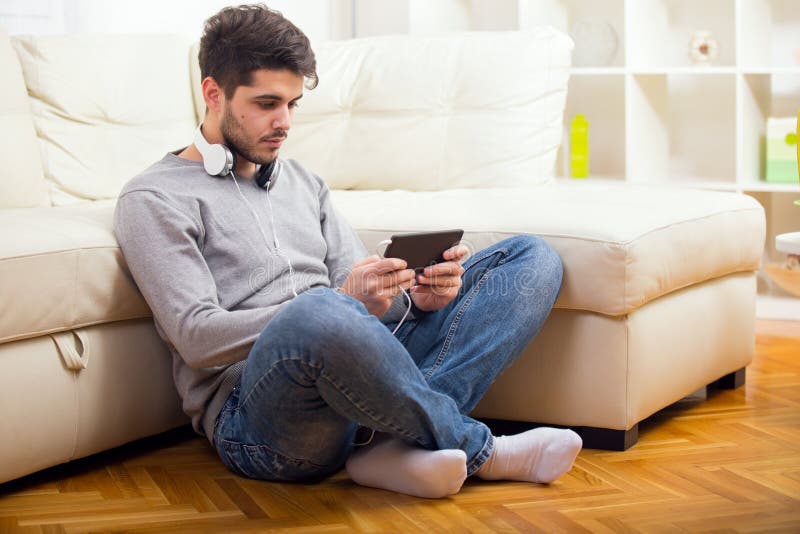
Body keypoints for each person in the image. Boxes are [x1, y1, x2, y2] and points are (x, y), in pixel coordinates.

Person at [114, 3, 582, 499]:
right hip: (259, 418)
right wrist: (336, 304)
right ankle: (481, 451)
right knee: (319, 310)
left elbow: (369, 303)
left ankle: (393, 448)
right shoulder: (154, 199)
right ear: (213, 93)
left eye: (292, 104)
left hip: (356, 372)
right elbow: (196, 338)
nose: (284, 122)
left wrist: (419, 296)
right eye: (267, 103)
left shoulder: (303, 183)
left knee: (531, 259)